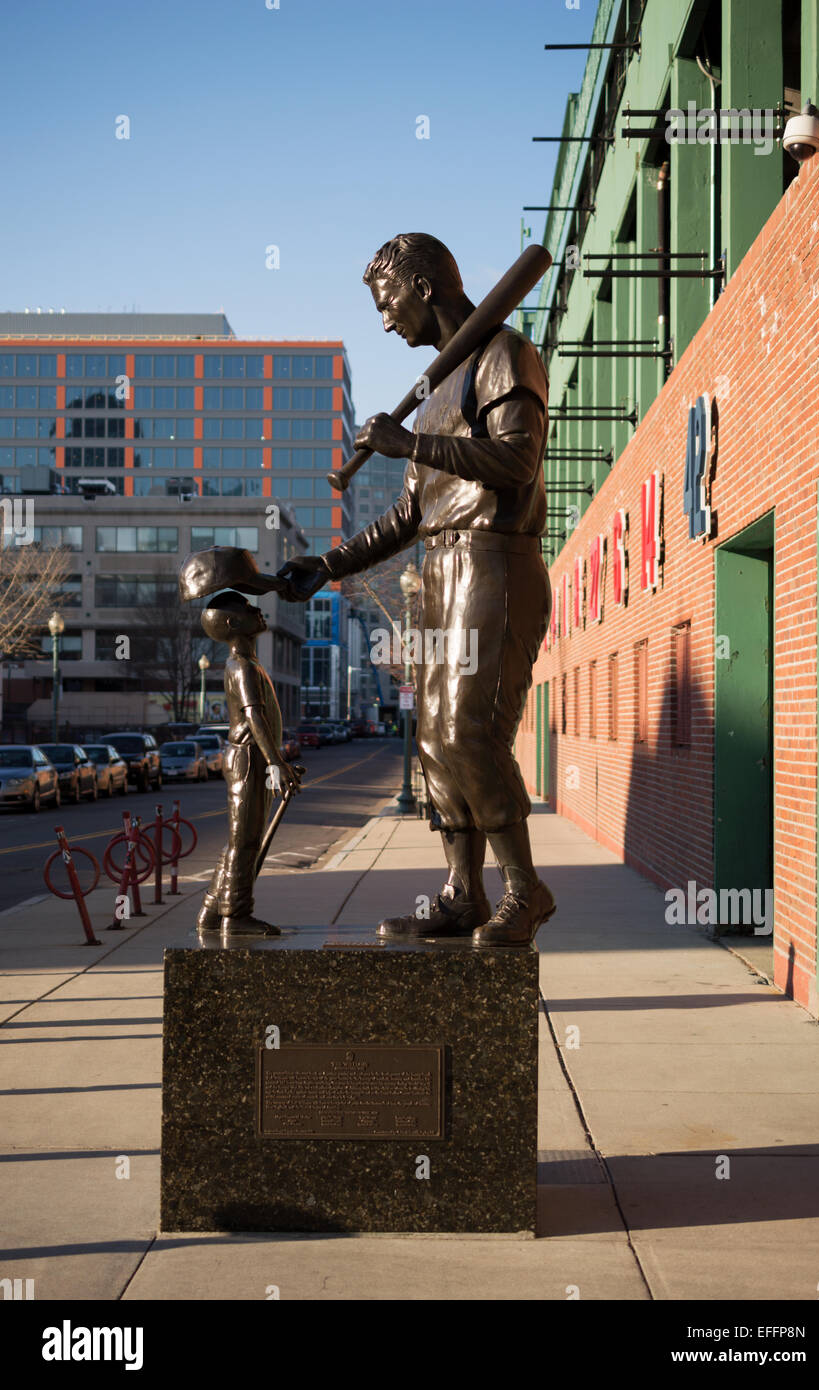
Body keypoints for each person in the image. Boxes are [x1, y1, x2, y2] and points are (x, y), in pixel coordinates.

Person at [278, 233, 554, 947]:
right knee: (432, 739)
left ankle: (526, 890)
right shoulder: (435, 391)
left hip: (496, 564)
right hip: (439, 569)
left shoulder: (503, 353)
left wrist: (412, 446)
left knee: (470, 731)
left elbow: (518, 461)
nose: (384, 317)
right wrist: (330, 565)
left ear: (424, 287)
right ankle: (464, 893)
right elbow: (409, 516)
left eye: (388, 299)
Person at [194, 590, 300, 936]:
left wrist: (277, 761)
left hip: (253, 759)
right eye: (247, 608)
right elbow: (254, 716)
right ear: (231, 623)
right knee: (246, 842)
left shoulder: (248, 664)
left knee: (239, 840)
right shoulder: (241, 667)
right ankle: (236, 916)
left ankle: (212, 910)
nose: (257, 610)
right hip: (249, 759)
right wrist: (276, 764)